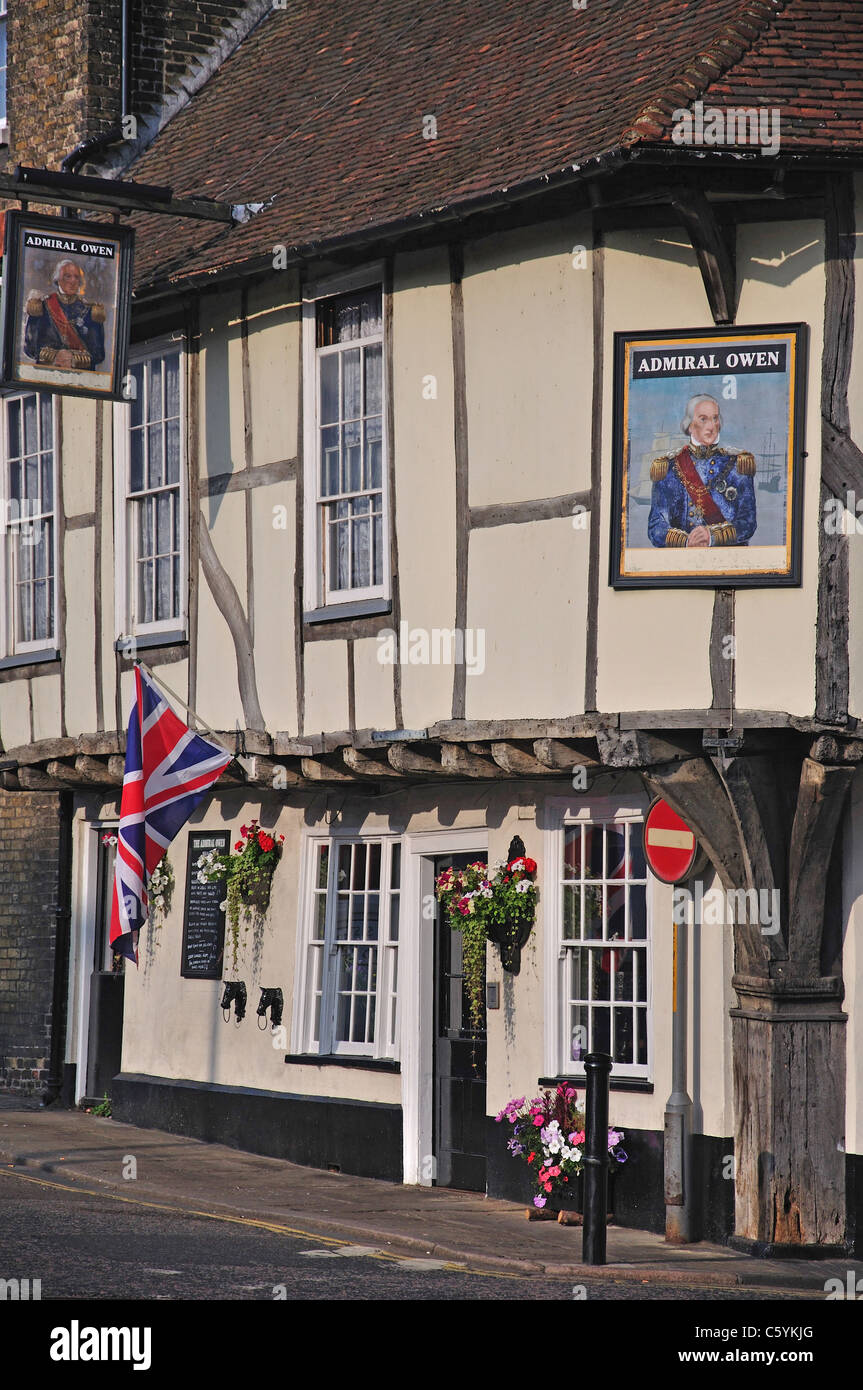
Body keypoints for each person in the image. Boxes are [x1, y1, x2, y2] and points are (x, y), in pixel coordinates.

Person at [646, 394, 756, 547]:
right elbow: (656, 526)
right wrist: (686, 541)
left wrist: (712, 537)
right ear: (690, 425)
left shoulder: (737, 465)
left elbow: (748, 522)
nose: (711, 426)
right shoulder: (669, 468)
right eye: (703, 419)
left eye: (715, 418)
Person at [23, 259, 106, 371]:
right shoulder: (42, 307)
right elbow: (30, 348)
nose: (73, 281)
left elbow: (98, 354)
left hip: (82, 378)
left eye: (76, 277)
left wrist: (73, 359)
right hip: (47, 375)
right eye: (68, 276)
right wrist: (56, 357)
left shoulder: (91, 311)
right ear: (58, 280)